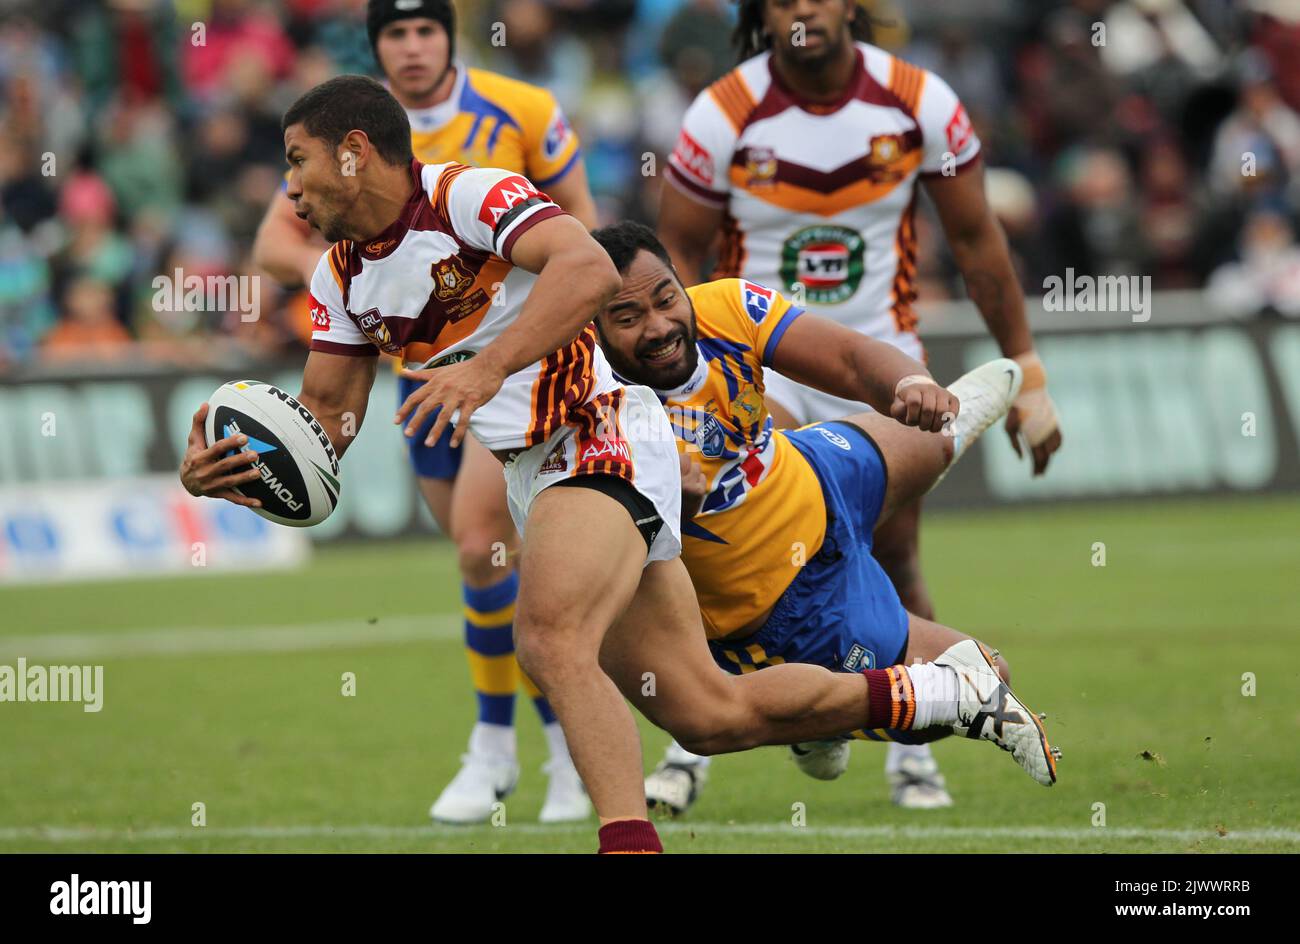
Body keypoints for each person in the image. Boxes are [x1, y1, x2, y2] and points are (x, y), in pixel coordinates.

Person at [180, 76, 1057, 853]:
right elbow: (328, 423)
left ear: (354, 153)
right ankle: (946, 697)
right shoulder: (339, 279)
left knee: (549, 637)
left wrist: (485, 367)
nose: (288, 185)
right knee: (708, 715)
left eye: (297, 161)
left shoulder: (467, 196)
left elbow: (587, 266)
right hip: (540, 469)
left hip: (601, 424)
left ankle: (625, 844)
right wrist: (243, 475)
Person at [654, 0, 1063, 810]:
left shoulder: (920, 101)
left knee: (895, 551)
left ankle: (906, 741)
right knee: (736, 556)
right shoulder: (722, 112)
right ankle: (705, 736)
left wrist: (1027, 367)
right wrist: (700, 390)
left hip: (875, 358)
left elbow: (979, 241)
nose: (800, 8)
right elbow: (675, 262)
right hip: (758, 361)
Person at [251, 0, 598, 825]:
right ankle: (533, 752)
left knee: (485, 546)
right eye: (394, 34)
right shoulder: (335, 154)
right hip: (429, 384)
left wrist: (487, 360)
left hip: (524, 380)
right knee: (487, 569)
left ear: (449, 38)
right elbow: (320, 399)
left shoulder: (508, 127)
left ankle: (504, 748)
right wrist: (245, 469)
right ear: (375, 48)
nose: (411, 45)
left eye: (424, 29)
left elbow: (586, 243)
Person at [590, 220, 1057, 803]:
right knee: (986, 677)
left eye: (665, 299)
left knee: (931, 430)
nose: (659, 327)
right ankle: (820, 717)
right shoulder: (596, 409)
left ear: (683, 286)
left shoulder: (727, 305)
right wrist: (663, 508)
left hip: (813, 472)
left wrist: (908, 382)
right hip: (792, 599)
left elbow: (852, 357)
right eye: (628, 318)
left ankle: (950, 423)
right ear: (595, 329)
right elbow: (609, 557)